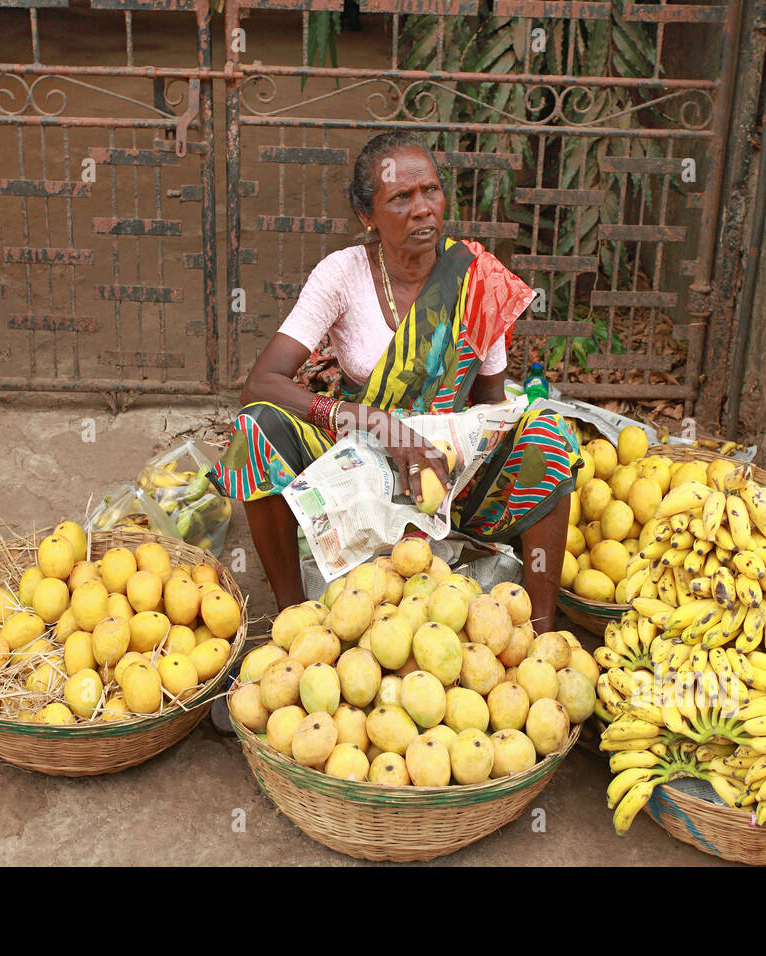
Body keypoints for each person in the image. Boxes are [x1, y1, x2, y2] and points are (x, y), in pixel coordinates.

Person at [208, 131, 582, 633]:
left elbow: (491, 405)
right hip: (358, 454)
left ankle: (541, 632)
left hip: (441, 470)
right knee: (256, 431)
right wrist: (371, 420)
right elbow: (260, 382)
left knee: (548, 433)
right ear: (369, 216)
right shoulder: (341, 274)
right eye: (401, 198)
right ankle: (294, 619)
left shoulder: (477, 283)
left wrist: (452, 447)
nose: (422, 209)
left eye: (430, 191)